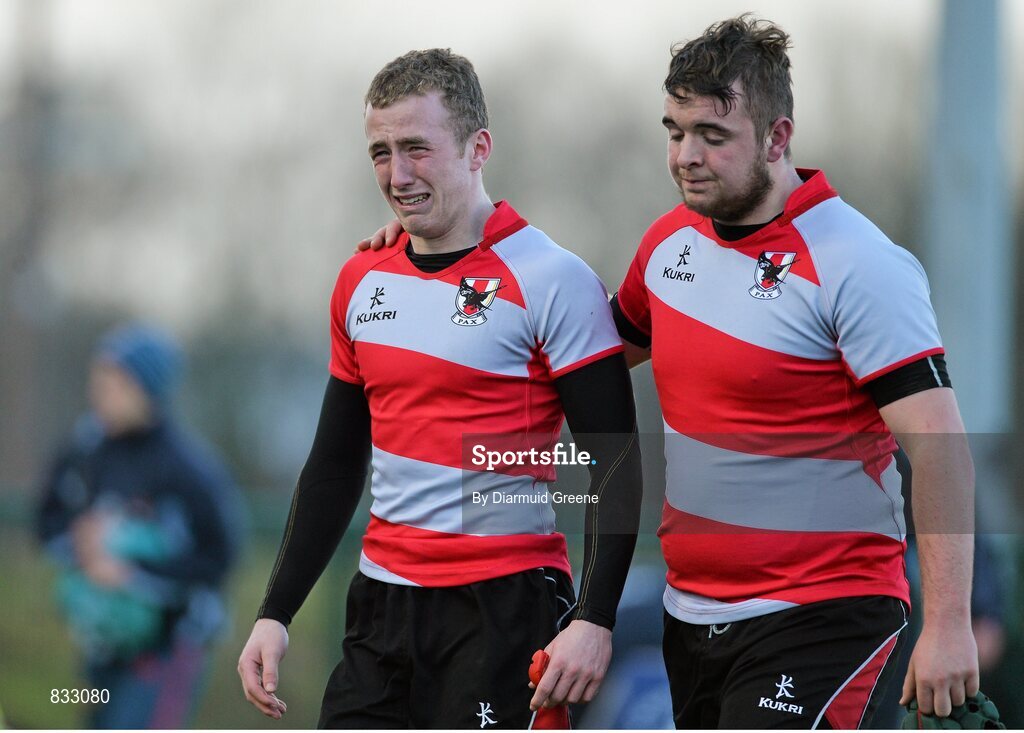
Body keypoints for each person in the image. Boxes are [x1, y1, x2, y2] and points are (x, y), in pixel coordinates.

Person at [360, 18, 979, 730]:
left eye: (713, 136)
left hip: (827, 616)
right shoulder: (666, 247)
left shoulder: (857, 262)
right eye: (675, 130)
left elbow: (942, 447)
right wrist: (429, 254)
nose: (686, 155)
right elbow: (558, 358)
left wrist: (951, 624)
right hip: (689, 621)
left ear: (778, 138)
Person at [237, 49, 642, 729]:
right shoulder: (361, 280)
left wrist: (596, 618)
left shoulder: (552, 278)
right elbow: (336, 464)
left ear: (478, 147)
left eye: (417, 149)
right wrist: (274, 612)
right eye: (380, 151)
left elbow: (615, 461)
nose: (397, 175)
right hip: (381, 609)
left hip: (506, 609)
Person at [37, 323, 242, 729]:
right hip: (102, 641)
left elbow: (218, 560)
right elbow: (47, 521)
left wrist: (132, 572)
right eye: (99, 377)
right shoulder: (85, 449)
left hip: (168, 648)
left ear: (148, 390)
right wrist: (82, 543)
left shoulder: (188, 468)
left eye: (117, 381)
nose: (101, 390)